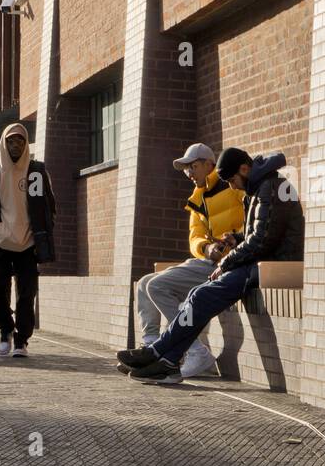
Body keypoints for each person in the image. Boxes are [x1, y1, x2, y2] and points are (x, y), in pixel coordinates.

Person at [118, 148, 304, 384]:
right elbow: (258, 234)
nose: (233, 186)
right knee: (197, 294)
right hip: (259, 262)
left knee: (202, 295)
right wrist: (235, 238)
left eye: (233, 180)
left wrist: (225, 262)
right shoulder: (259, 187)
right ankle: (168, 361)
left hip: (272, 265)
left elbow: (262, 241)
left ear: (244, 169)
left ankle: (159, 353)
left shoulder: (272, 188)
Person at [134, 143, 246, 378]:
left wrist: (229, 243)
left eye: (193, 167)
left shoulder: (232, 185)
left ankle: (191, 348)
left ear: (209, 164)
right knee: (144, 283)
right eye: (186, 170)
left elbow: (250, 223)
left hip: (229, 262)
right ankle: (151, 344)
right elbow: (194, 237)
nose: (189, 174)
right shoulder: (197, 199)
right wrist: (207, 248)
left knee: (157, 286)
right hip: (209, 260)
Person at [0, 122, 56, 359]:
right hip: (0, 243)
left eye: (20, 141)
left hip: (28, 245)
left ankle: (22, 340)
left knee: (27, 294)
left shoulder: (36, 172)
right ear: (3, 143)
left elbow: (46, 208)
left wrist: (42, 235)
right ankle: (6, 329)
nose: (15, 145)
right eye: (10, 141)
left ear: (26, 144)